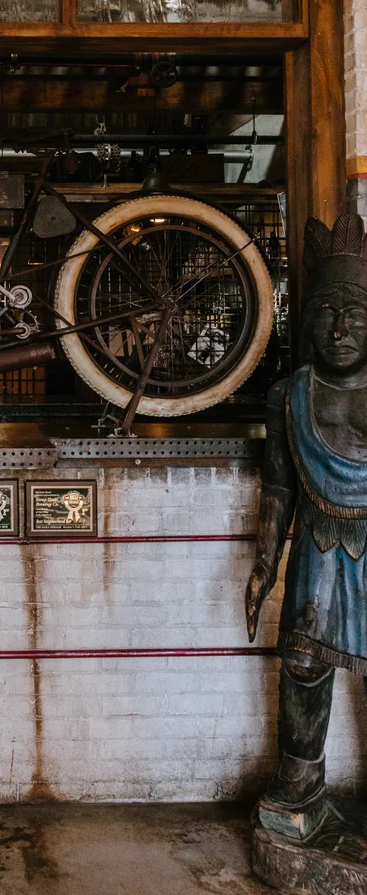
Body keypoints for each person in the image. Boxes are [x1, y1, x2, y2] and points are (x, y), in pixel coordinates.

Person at [246, 212, 367, 838]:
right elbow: (278, 487)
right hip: (317, 551)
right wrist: (265, 561)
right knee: (303, 662)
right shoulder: (289, 393)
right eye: (325, 314)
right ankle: (300, 780)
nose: (339, 329)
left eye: (354, 316)